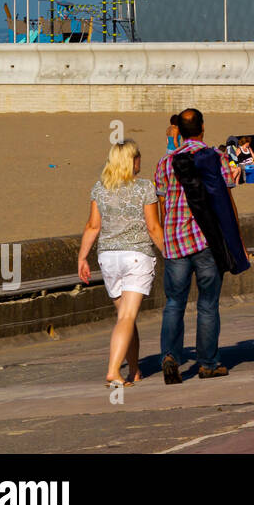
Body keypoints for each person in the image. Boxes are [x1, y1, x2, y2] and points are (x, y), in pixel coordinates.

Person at [155, 109, 235, 383]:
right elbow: (226, 202)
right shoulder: (215, 158)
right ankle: (208, 363)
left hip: (175, 242)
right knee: (208, 304)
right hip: (206, 241)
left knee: (174, 303)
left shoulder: (166, 163)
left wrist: (168, 234)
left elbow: (164, 204)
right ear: (202, 127)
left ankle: (170, 356)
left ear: (179, 129)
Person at [78, 140, 165, 386]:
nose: (140, 161)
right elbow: (153, 227)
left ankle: (134, 370)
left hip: (108, 258)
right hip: (136, 256)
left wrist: (82, 257)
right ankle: (113, 370)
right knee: (127, 316)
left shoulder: (100, 188)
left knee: (126, 317)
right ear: (131, 160)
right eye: (138, 157)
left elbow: (93, 226)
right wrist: (169, 253)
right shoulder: (145, 188)